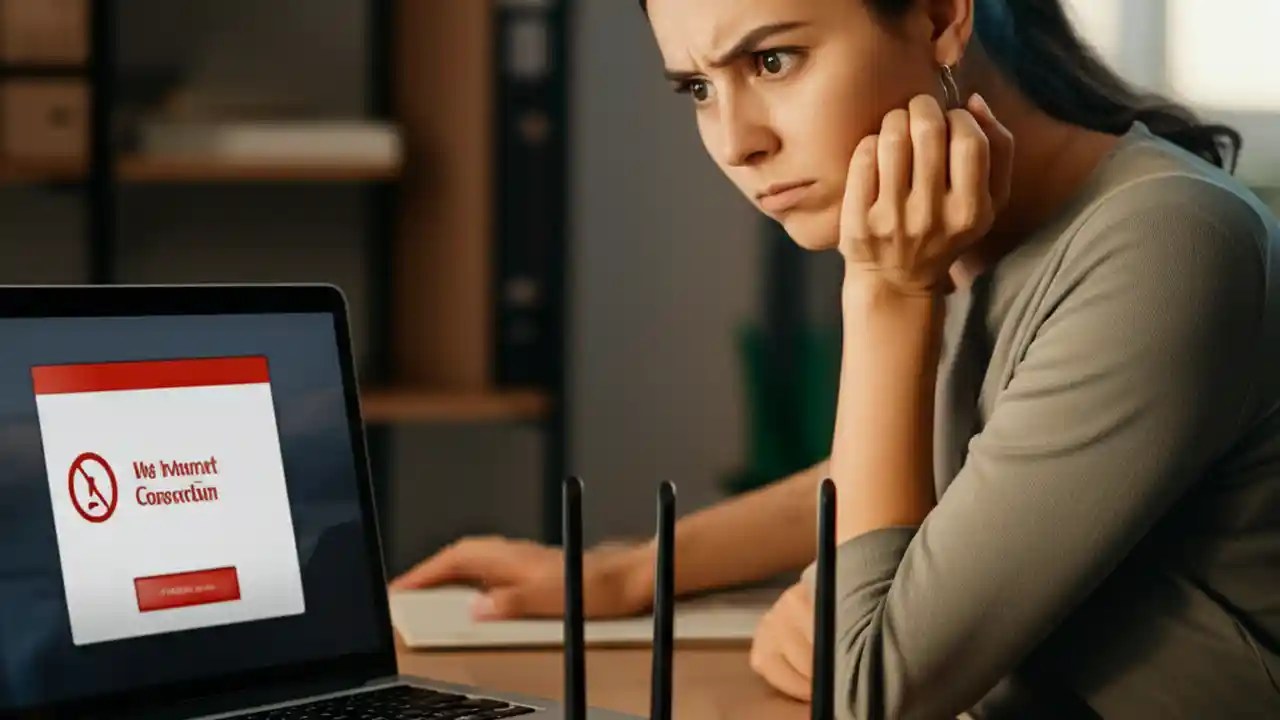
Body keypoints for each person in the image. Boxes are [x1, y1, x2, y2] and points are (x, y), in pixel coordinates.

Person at [393, 0, 1280, 716]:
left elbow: (867, 689)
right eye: (697, 88)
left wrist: (889, 293)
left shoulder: (1166, 241)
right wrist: (627, 574)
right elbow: (963, 463)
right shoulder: (995, 232)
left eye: (771, 60)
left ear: (938, 19)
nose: (736, 140)